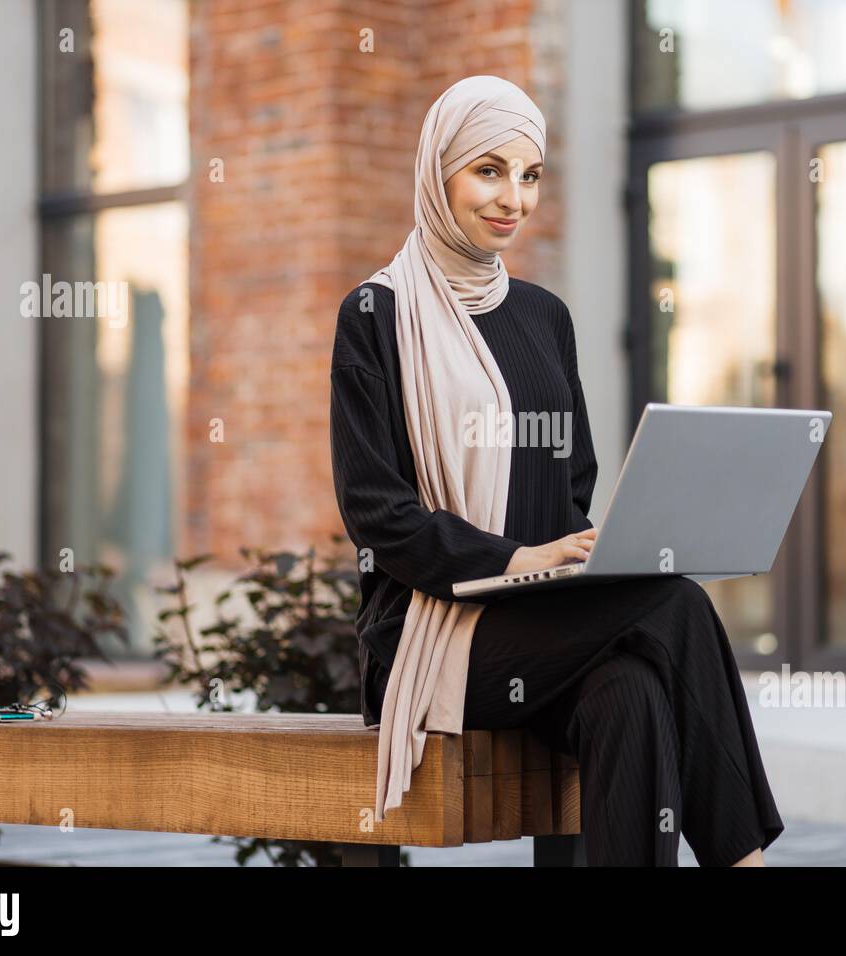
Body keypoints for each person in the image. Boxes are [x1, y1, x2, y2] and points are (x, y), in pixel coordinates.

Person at [329, 75, 783, 866]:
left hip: (545, 620)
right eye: (489, 170)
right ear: (438, 173)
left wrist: (579, 560)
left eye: (531, 174)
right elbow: (377, 512)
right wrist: (509, 560)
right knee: (673, 605)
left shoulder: (545, 316)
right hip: (431, 635)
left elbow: (573, 481)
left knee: (632, 697)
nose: (514, 197)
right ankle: (746, 862)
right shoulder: (377, 315)